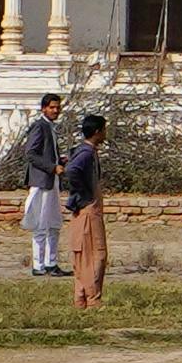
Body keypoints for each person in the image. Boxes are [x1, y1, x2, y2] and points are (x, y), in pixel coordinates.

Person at [12, 94, 66, 278]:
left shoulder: (50, 127)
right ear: (44, 108)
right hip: (42, 181)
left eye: (57, 107)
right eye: (52, 107)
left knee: (54, 223)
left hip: (51, 181)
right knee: (40, 225)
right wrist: (52, 167)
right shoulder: (39, 126)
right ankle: (38, 265)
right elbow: (31, 154)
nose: (55, 110)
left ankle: (51, 263)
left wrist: (60, 160)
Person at [60, 107, 109, 308]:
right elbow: (72, 170)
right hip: (89, 208)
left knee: (83, 255)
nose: (105, 134)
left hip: (87, 206)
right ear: (97, 131)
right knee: (96, 254)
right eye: (104, 130)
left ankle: (81, 298)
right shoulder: (86, 153)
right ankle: (92, 298)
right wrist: (83, 195)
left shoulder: (86, 152)